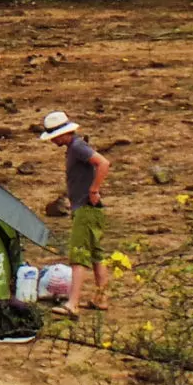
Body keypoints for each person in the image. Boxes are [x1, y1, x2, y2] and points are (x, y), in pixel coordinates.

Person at [42, 110, 111, 314]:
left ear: (63, 133)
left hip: (86, 209)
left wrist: (94, 189)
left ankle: (72, 304)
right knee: (97, 255)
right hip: (90, 210)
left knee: (78, 255)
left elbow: (104, 163)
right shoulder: (74, 148)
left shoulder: (78, 147)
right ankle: (102, 298)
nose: (53, 141)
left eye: (54, 137)